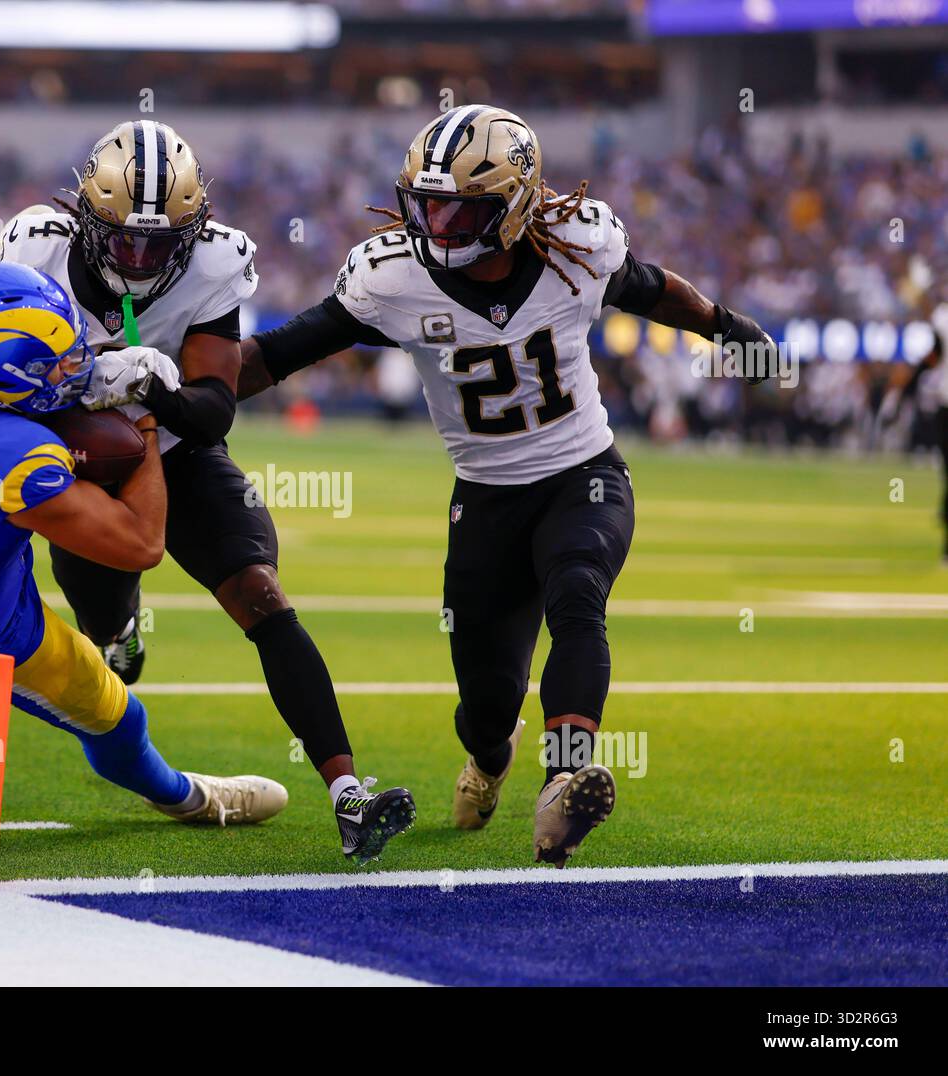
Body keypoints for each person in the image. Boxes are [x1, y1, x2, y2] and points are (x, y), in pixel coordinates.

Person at [238, 106, 771, 866]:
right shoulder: (393, 280)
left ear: (517, 206)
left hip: (583, 472)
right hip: (485, 498)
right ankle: (492, 759)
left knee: (579, 592)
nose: (440, 225)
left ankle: (564, 779)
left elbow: (651, 290)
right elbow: (278, 353)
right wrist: (194, 400)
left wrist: (724, 324)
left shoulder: (576, 249)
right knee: (486, 704)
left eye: (463, 210)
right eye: (429, 206)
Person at [0, 121, 414, 864]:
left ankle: (348, 791)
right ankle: (122, 635)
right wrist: (84, 382)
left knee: (263, 595)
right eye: (124, 239)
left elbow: (216, 401)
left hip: (179, 450)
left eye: (160, 245)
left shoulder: (216, 263)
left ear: (195, 231)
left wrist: (157, 384)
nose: (139, 257)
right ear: (87, 217)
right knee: (102, 614)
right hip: (74, 449)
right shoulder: (34, 246)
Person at [0, 261, 287, 829]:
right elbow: (141, 543)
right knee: (117, 715)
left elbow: (2, 403)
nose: (76, 366)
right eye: (55, 364)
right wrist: (146, 417)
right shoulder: (11, 462)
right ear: (6, 377)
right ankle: (188, 797)